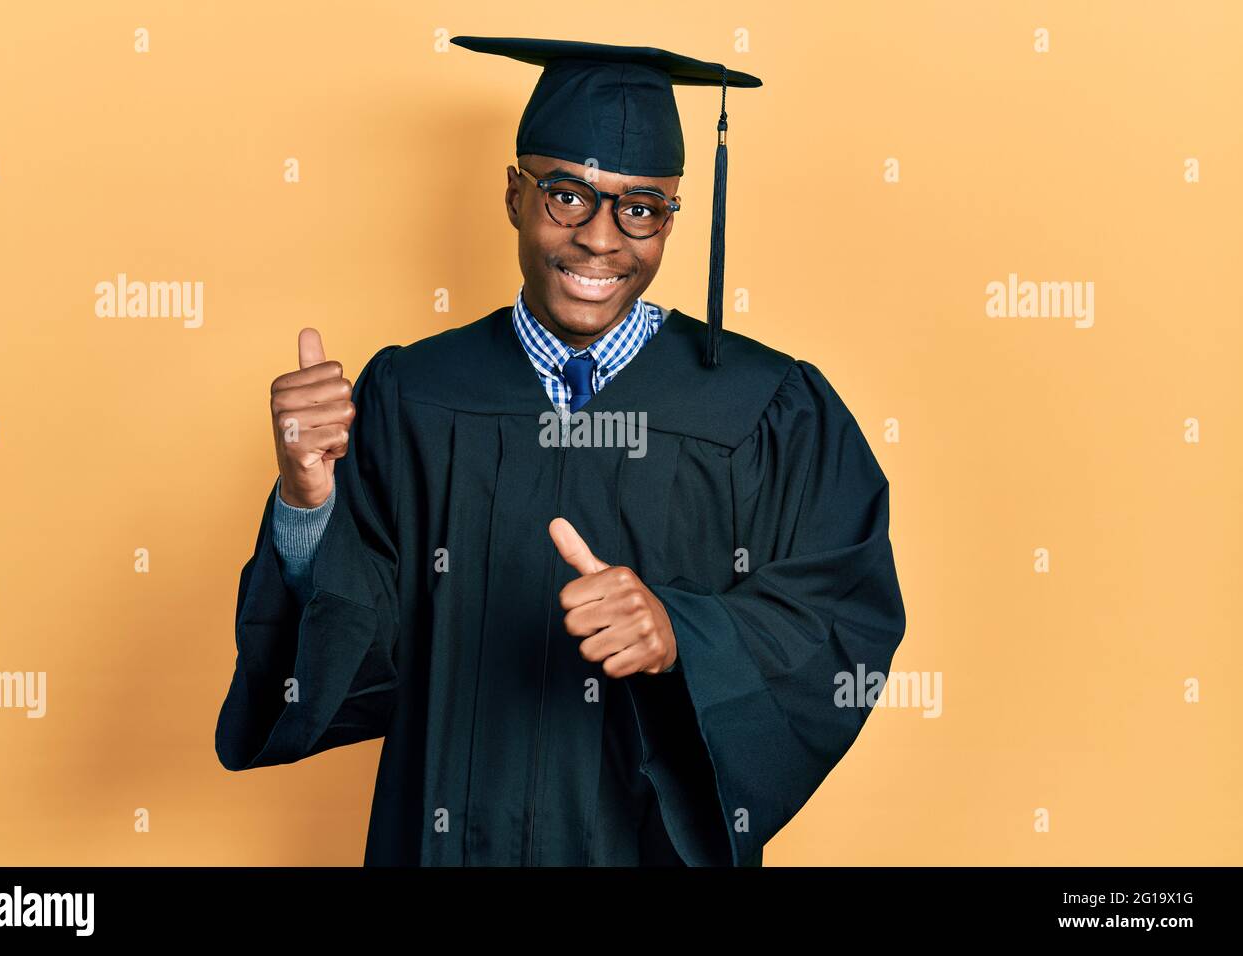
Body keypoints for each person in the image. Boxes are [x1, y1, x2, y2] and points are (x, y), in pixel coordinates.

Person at [215, 36, 907, 867]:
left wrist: (685, 632)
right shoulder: (415, 393)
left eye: (642, 207)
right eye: (568, 196)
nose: (603, 240)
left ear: (672, 215)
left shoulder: (768, 408)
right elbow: (361, 653)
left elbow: (845, 615)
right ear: (514, 195)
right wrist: (306, 502)